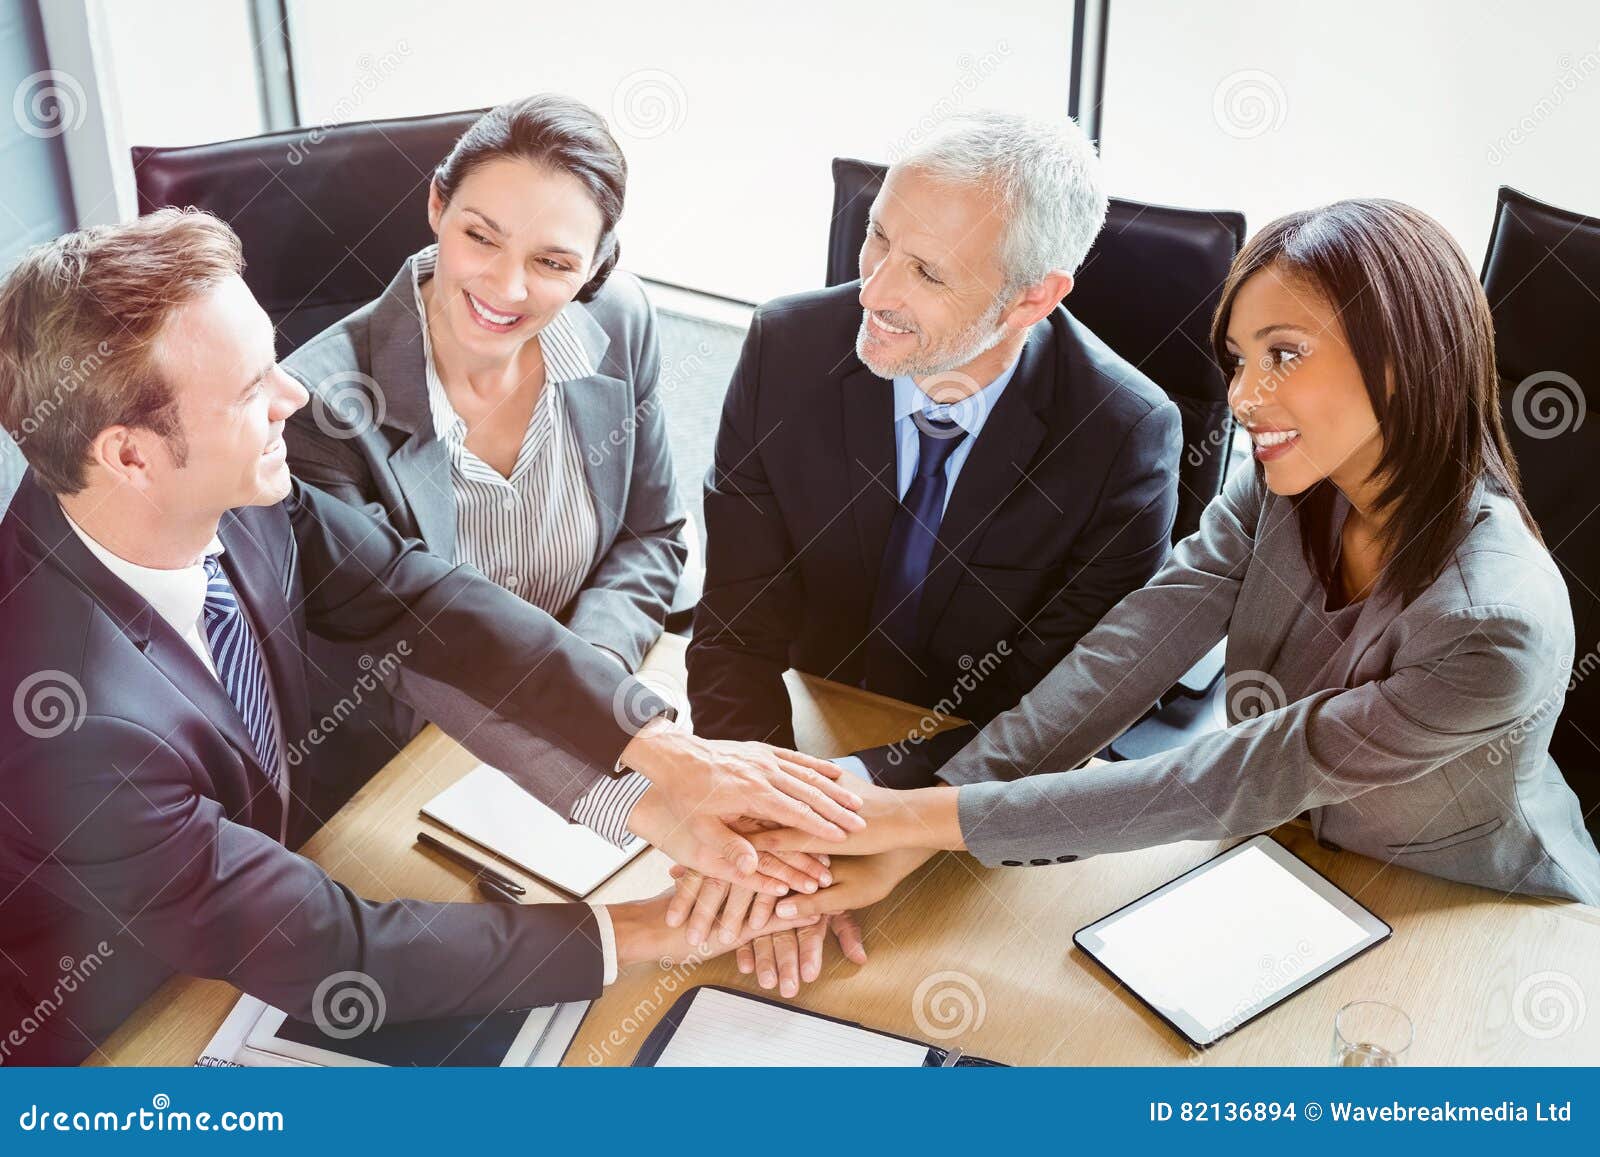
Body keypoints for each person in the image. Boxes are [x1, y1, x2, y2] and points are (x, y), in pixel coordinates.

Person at [0, 210, 857, 1063]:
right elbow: (339, 955)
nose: (292, 397)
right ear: (131, 456)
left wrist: (666, 752)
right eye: (251, 389)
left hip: (247, 920)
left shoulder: (220, 493)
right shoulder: (74, 722)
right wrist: (653, 926)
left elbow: (424, 603)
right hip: (118, 1035)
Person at [687, 198, 1600, 996]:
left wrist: (914, 818)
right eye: (1239, 360)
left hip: (1472, 913)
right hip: (1289, 866)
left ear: (1403, 358)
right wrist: (923, 821)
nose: (1245, 396)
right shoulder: (1287, 490)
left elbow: (1246, 770)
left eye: (1284, 354)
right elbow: (1126, 654)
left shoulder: (1495, 621)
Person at [683, 111, 1181, 985]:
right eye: (877, 235)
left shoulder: (1124, 439)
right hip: (800, 735)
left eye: (926, 272)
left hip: (961, 809)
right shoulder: (786, 348)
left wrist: (844, 813)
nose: (872, 290)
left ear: (1034, 297)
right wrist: (760, 826)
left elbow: (1048, 714)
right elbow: (735, 628)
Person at [283, 94, 685, 798]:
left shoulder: (620, 322)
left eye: (554, 262)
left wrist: (592, 668)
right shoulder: (318, 409)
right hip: (418, 756)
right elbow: (399, 641)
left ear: (596, 267)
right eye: (481, 237)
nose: (507, 287)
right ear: (438, 205)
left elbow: (650, 535)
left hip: (600, 711)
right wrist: (583, 707)